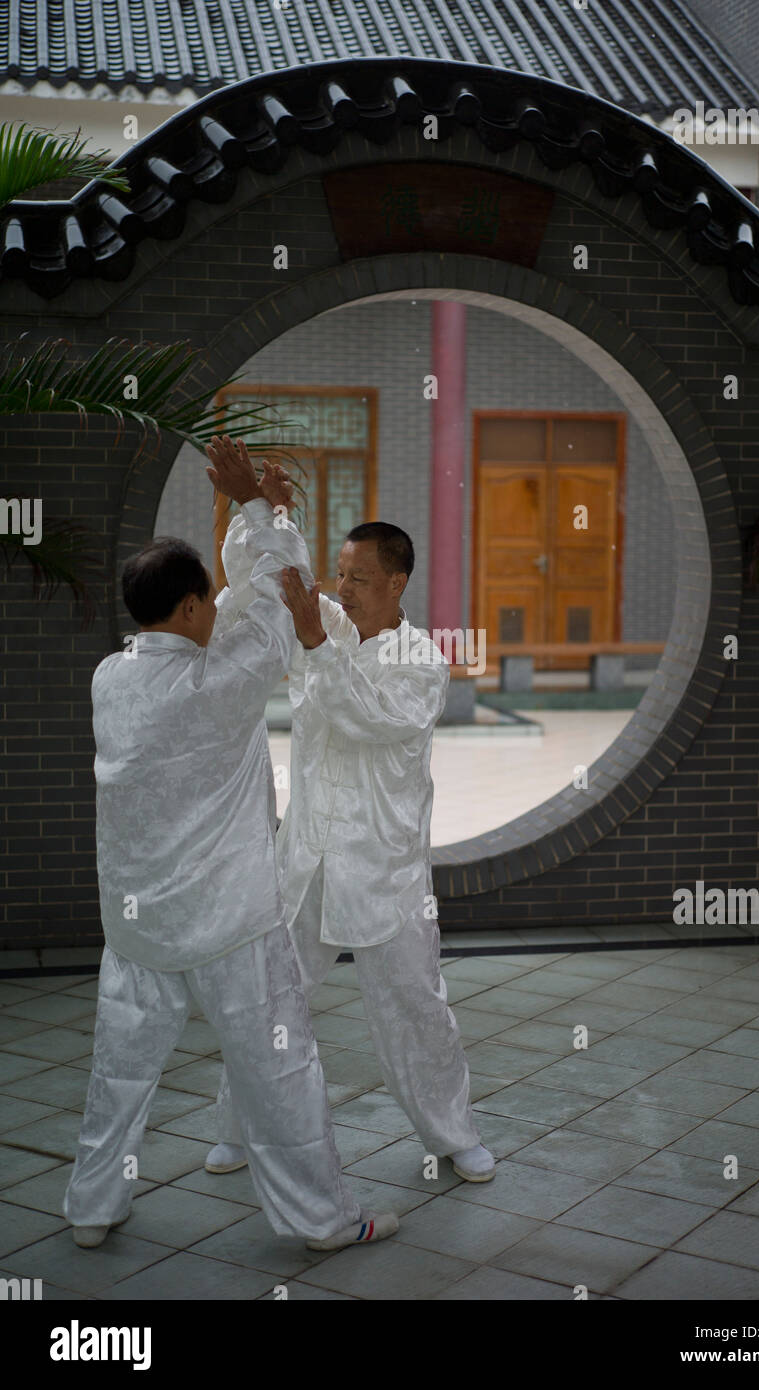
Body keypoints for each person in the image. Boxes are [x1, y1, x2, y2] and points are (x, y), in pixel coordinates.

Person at [63, 435, 397, 1253]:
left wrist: (253, 515)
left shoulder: (112, 680)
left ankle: (90, 1209)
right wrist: (263, 507)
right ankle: (322, 1221)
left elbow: (249, 600)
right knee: (281, 1077)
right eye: (204, 600)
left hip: (139, 930)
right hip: (231, 926)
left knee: (119, 1077)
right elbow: (279, 600)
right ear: (184, 611)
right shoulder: (222, 681)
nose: (216, 608)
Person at [206, 466, 495, 1184]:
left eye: (357, 578)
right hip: (304, 861)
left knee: (415, 1009)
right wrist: (262, 507)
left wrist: (312, 643)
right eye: (339, 574)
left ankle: (453, 1135)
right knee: (269, 1003)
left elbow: (365, 716)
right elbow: (263, 572)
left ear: (396, 583)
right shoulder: (325, 623)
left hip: (385, 871)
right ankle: (238, 1128)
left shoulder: (422, 664)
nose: (340, 589)